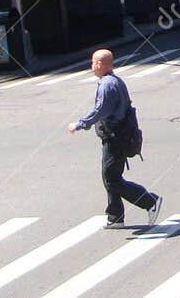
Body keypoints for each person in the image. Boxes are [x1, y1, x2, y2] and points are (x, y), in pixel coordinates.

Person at [67, 49, 162, 229]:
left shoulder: (107, 85)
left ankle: (149, 201)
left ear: (100, 64)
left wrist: (80, 124)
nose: (92, 66)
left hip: (116, 136)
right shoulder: (114, 81)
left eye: (93, 62)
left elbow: (100, 110)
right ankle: (115, 216)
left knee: (111, 178)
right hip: (117, 135)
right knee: (110, 176)